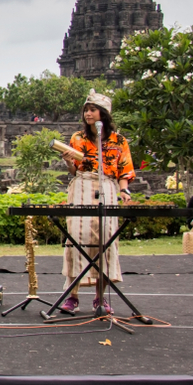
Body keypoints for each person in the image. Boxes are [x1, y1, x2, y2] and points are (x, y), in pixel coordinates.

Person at [58, 89, 134, 315]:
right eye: (86, 110)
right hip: (82, 185)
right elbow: (74, 170)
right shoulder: (77, 138)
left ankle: (101, 297)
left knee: (106, 240)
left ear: (104, 114)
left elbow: (124, 170)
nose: (88, 114)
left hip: (108, 186)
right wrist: (69, 163)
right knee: (77, 239)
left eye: (92, 110)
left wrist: (124, 191)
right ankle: (72, 296)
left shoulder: (119, 141)